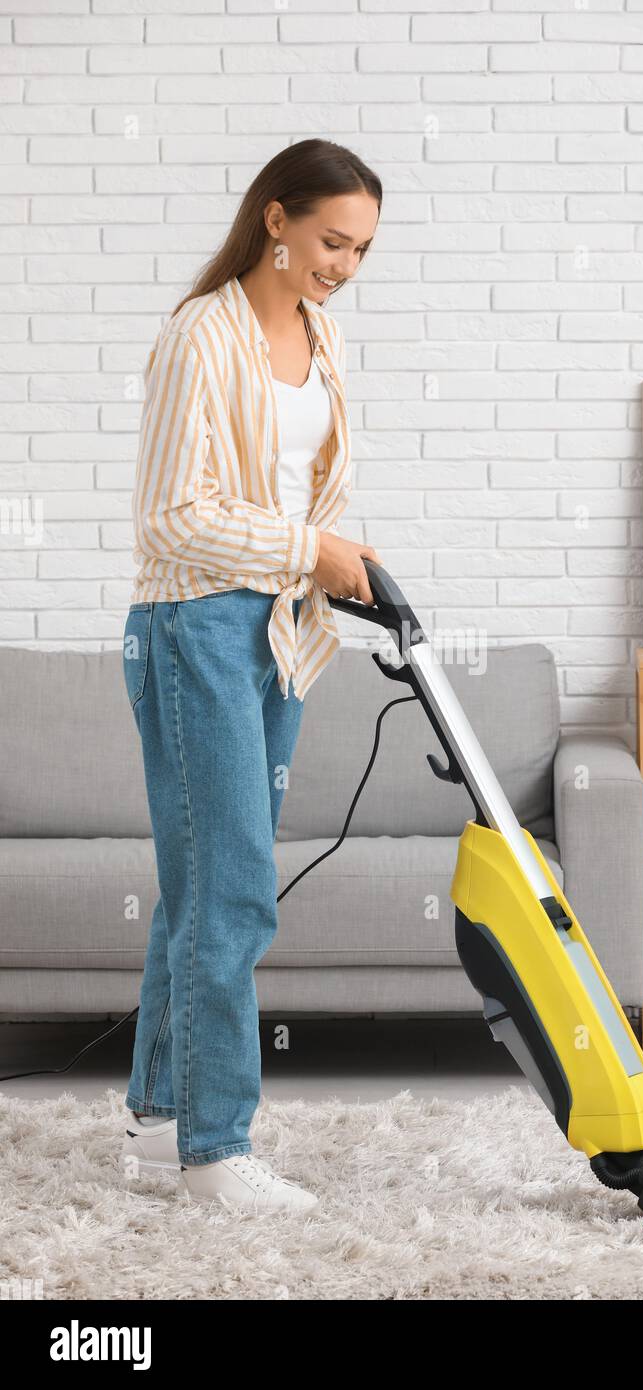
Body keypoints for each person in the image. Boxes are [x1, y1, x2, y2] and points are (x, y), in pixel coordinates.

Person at [119, 139, 382, 1213]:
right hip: (193, 628)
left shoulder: (316, 337)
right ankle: (215, 1151)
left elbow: (287, 492)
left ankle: (154, 1120)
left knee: (199, 885)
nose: (343, 266)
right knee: (230, 891)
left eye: (361, 249)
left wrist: (326, 559)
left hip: (276, 630)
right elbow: (171, 516)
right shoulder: (202, 333)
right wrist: (308, 551)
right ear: (273, 219)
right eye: (330, 241)